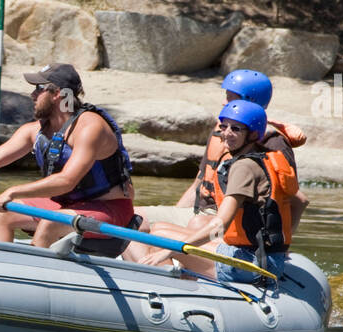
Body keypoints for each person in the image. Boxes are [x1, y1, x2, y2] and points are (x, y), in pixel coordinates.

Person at [0, 63, 136, 250]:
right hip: (68, 206)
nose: (32, 95)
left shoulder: (91, 127)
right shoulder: (35, 131)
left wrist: (14, 191)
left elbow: (67, 181)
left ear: (57, 94)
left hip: (111, 211)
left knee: (51, 222)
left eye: (38, 88)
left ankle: (31, 276)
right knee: (1, 212)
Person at [127, 69, 309, 261]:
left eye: (231, 99)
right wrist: (175, 214)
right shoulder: (224, 132)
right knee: (139, 219)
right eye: (225, 126)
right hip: (206, 214)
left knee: (187, 227)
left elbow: (295, 200)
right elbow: (200, 182)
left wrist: (276, 244)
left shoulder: (263, 149)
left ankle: (168, 272)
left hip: (230, 227)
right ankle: (152, 269)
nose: (226, 131)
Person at [142, 100, 299, 284]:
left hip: (255, 264)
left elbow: (219, 226)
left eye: (236, 129)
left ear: (254, 134)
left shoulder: (244, 167)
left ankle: (175, 292)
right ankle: (186, 277)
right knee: (160, 228)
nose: (226, 133)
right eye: (223, 126)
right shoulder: (263, 157)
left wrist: (173, 250)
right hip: (266, 257)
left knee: (160, 239)